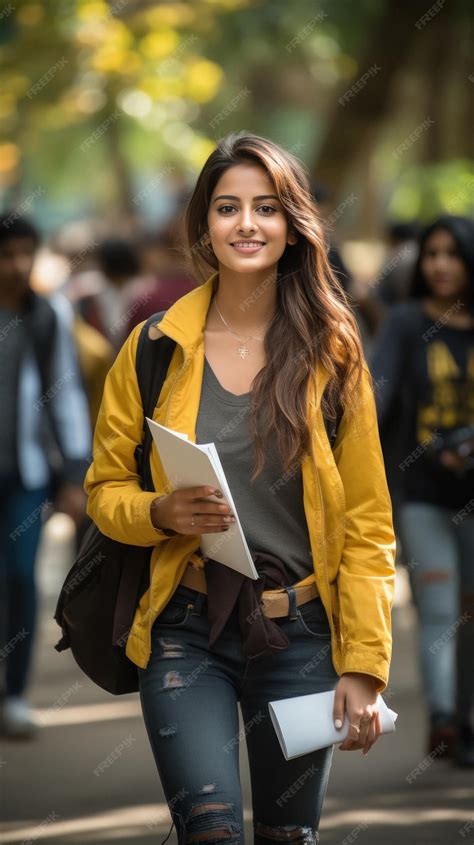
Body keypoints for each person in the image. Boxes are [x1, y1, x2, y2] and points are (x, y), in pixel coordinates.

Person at [84, 132, 396, 843]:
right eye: (227, 207)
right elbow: (104, 490)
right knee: (210, 829)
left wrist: (366, 667)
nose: (246, 224)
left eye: (266, 208)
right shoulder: (153, 345)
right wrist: (158, 509)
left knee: (289, 836)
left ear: (292, 226)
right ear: (204, 224)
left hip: (304, 635)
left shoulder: (334, 350)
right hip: (184, 631)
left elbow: (370, 521)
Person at [370, 214, 474, 767]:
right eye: (431, 254)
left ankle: (466, 715)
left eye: (452, 254)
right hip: (422, 494)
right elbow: (377, 391)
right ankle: (442, 719)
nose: (439, 265)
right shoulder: (407, 323)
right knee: (438, 608)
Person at [0, 214, 92, 738]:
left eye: (24, 254)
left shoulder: (46, 314)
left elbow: (66, 393)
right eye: (6, 254)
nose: (16, 265)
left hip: (27, 477)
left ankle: (14, 694)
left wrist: (74, 474)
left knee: (19, 577)